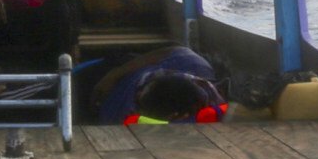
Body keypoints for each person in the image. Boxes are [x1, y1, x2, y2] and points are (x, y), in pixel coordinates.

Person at [92, 43, 224, 122]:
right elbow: (173, 50)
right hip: (120, 73)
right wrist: (114, 75)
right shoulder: (194, 64)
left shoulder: (197, 67)